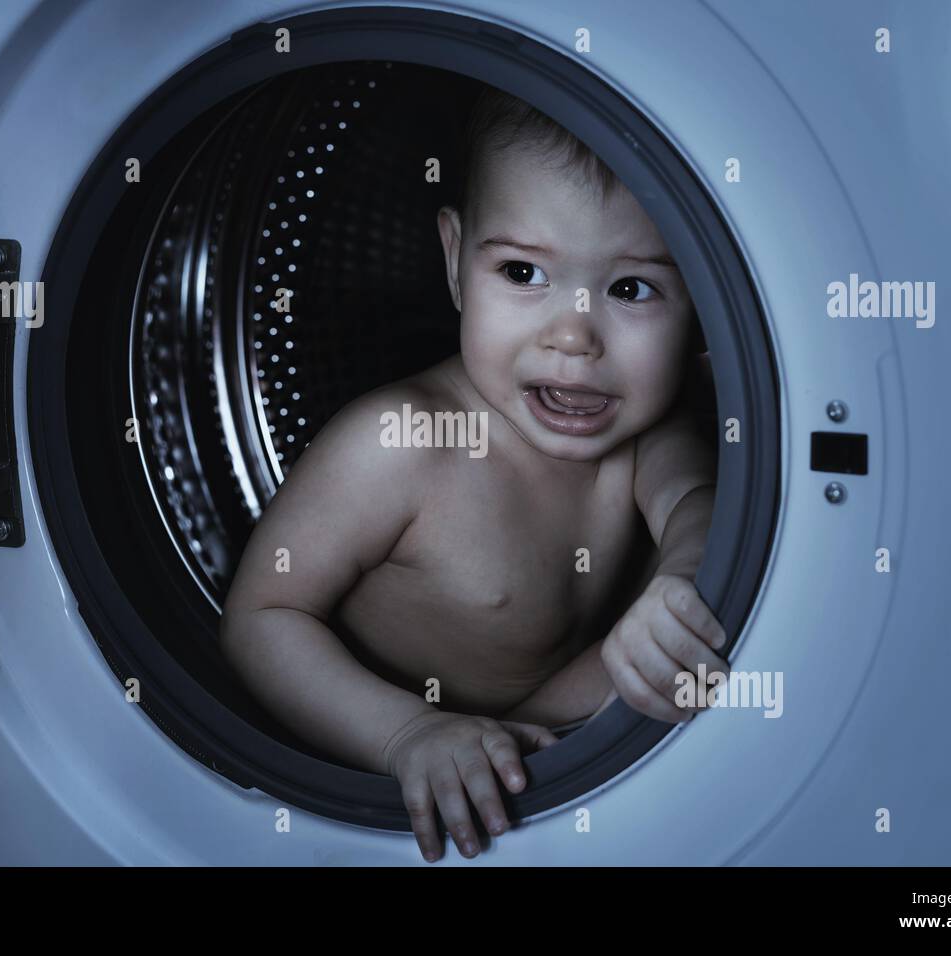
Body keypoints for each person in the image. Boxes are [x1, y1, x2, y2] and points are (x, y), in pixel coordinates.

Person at [220, 87, 726, 862]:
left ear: (700, 305)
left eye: (631, 289)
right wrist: (407, 733)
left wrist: (678, 586)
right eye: (524, 273)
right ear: (456, 261)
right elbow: (261, 619)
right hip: (389, 779)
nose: (572, 337)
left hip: (558, 747)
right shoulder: (401, 444)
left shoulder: (644, 433)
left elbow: (698, 503)